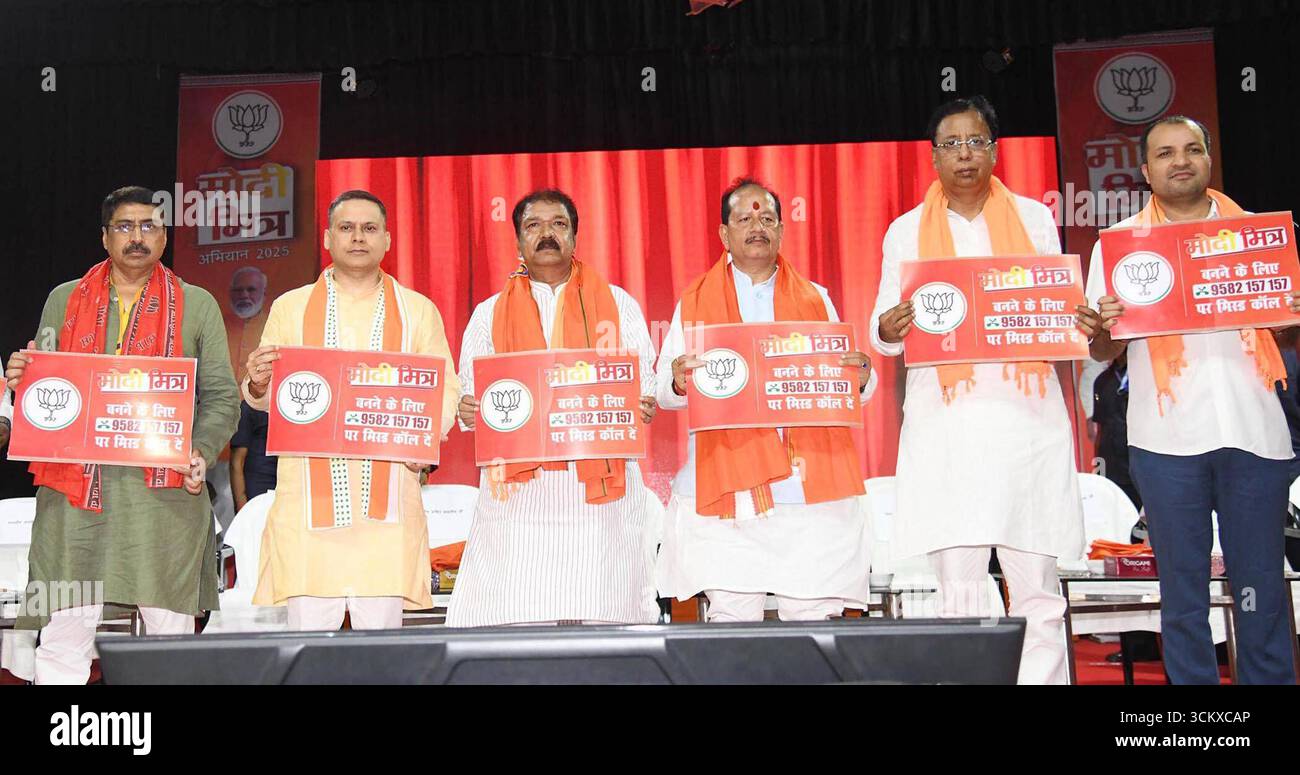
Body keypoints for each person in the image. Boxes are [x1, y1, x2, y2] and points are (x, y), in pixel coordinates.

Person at [1079, 115, 1300, 684]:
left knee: (1260, 592)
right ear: (1146, 171)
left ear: (1208, 159)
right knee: (1182, 596)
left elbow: (1288, 333)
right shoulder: (1121, 246)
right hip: (1166, 440)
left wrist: (1293, 311)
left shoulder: (1258, 236)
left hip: (1255, 435)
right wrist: (1102, 327)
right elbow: (1103, 348)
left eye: (1192, 149)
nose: (1180, 161)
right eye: (1165, 153)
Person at [871, 97, 1084, 684]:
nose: (964, 154)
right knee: (959, 594)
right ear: (933, 157)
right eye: (951, 144)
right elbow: (881, 331)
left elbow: (1057, 305)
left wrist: (1075, 318)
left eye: (975, 141)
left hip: (1027, 423)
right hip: (948, 428)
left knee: (1037, 592)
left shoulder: (1034, 221)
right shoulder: (905, 231)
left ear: (994, 150)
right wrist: (889, 327)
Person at [3, 185, 238, 683]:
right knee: (64, 631)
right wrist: (27, 379)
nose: (137, 237)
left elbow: (223, 397)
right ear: (105, 237)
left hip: (164, 497)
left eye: (149, 226)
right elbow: (47, 391)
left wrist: (199, 450)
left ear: (165, 237)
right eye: (125, 226)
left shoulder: (196, 304)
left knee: (169, 634)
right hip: (75, 495)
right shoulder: (65, 299)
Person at [654, 178, 876, 622]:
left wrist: (862, 376)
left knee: (811, 622)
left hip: (806, 490)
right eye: (744, 219)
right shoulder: (694, 302)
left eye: (768, 219)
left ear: (782, 230)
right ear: (724, 234)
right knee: (733, 622)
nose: (757, 227)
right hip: (729, 491)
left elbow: (850, 388)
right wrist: (678, 381)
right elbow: (664, 393)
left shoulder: (816, 298)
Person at [242, 190, 459, 631]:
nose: (358, 237)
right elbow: (267, 397)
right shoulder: (291, 307)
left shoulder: (418, 311)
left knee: (380, 651)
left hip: (387, 506)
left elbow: (445, 391)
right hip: (308, 505)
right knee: (308, 649)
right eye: (346, 228)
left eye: (369, 228)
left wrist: (423, 440)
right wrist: (259, 382)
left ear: (387, 240)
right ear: (327, 238)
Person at [448, 189, 660, 626]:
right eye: (534, 225)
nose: (547, 233)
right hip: (519, 501)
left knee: (603, 620)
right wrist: (468, 410)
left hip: (599, 502)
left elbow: (644, 384)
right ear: (517, 242)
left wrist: (642, 402)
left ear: (575, 237)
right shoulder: (489, 313)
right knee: (516, 621)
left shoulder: (618, 304)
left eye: (558, 224)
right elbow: (472, 394)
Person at [230, 400, 276, 512]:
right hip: (258, 489)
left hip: (288, 487)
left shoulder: (292, 409)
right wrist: (241, 503)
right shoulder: (248, 407)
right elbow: (236, 462)